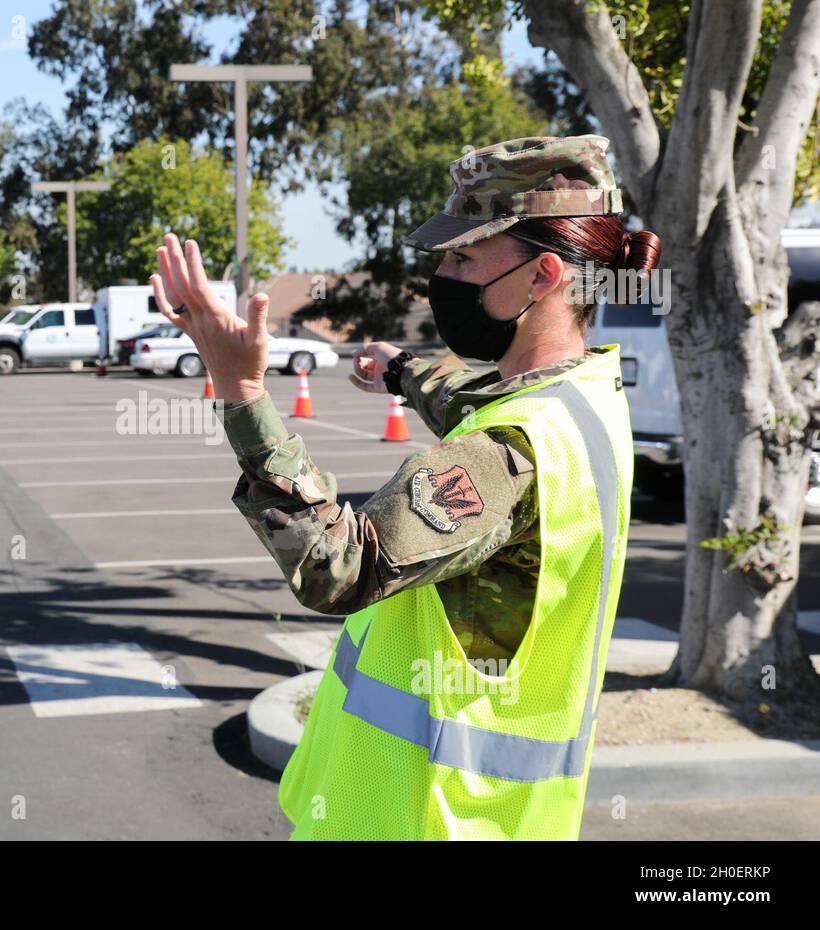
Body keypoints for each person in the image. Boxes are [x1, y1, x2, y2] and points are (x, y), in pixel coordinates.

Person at [149, 135, 662, 840]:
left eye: (463, 257)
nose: (441, 275)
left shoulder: (509, 450)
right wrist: (401, 370)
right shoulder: (586, 396)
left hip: (417, 818)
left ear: (544, 275)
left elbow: (340, 567)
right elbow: (485, 398)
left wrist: (242, 392)